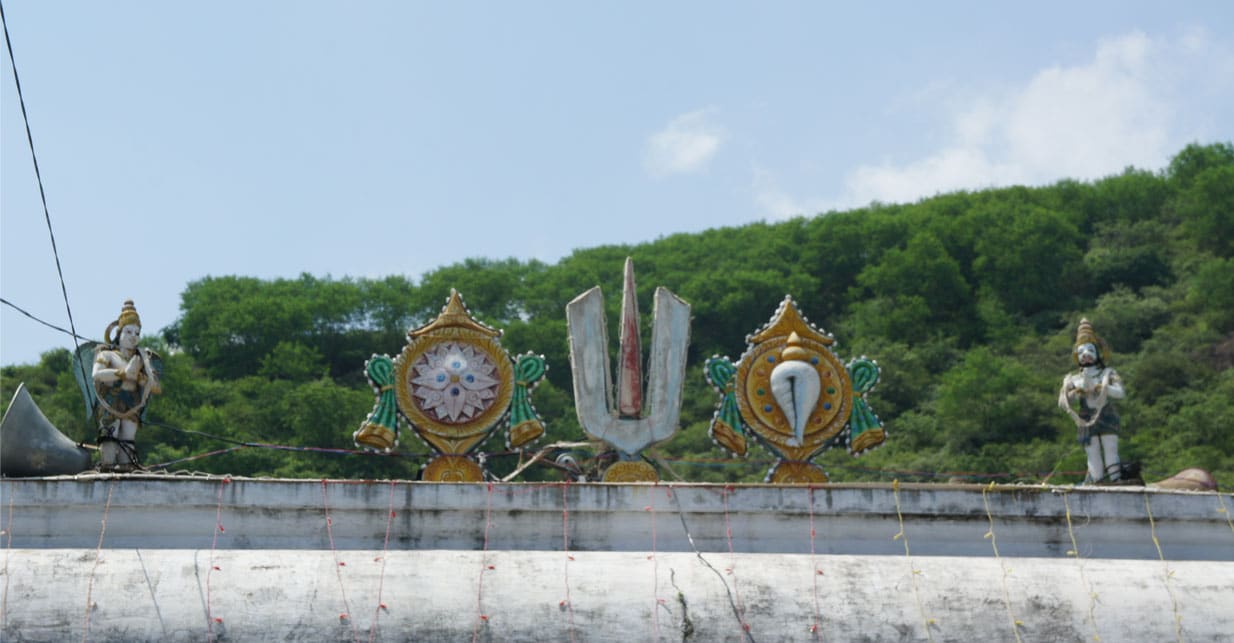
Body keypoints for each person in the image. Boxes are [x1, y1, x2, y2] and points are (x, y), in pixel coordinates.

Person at [92, 300, 162, 472]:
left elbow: (156, 388)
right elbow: (97, 375)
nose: (133, 336)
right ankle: (107, 468)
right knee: (110, 437)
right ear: (119, 333)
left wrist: (139, 377)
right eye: (128, 331)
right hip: (111, 402)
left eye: (137, 333)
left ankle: (126, 468)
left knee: (128, 440)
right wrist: (123, 373)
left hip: (132, 405)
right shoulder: (107, 354)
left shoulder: (142, 359)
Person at [1058, 318, 1125, 483]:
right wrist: (1073, 394)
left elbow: (1120, 393)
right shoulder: (1073, 379)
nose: (1085, 354)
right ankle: (1096, 482)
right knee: (1092, 454)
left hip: (1106, 415)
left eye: (1089, 350)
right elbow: (1062, 403)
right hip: (1085, 419)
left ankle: (1116, 480)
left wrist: (1104, 388)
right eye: (1081, 352)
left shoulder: (1107, 373)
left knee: (1110, 450)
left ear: (1097, 352)